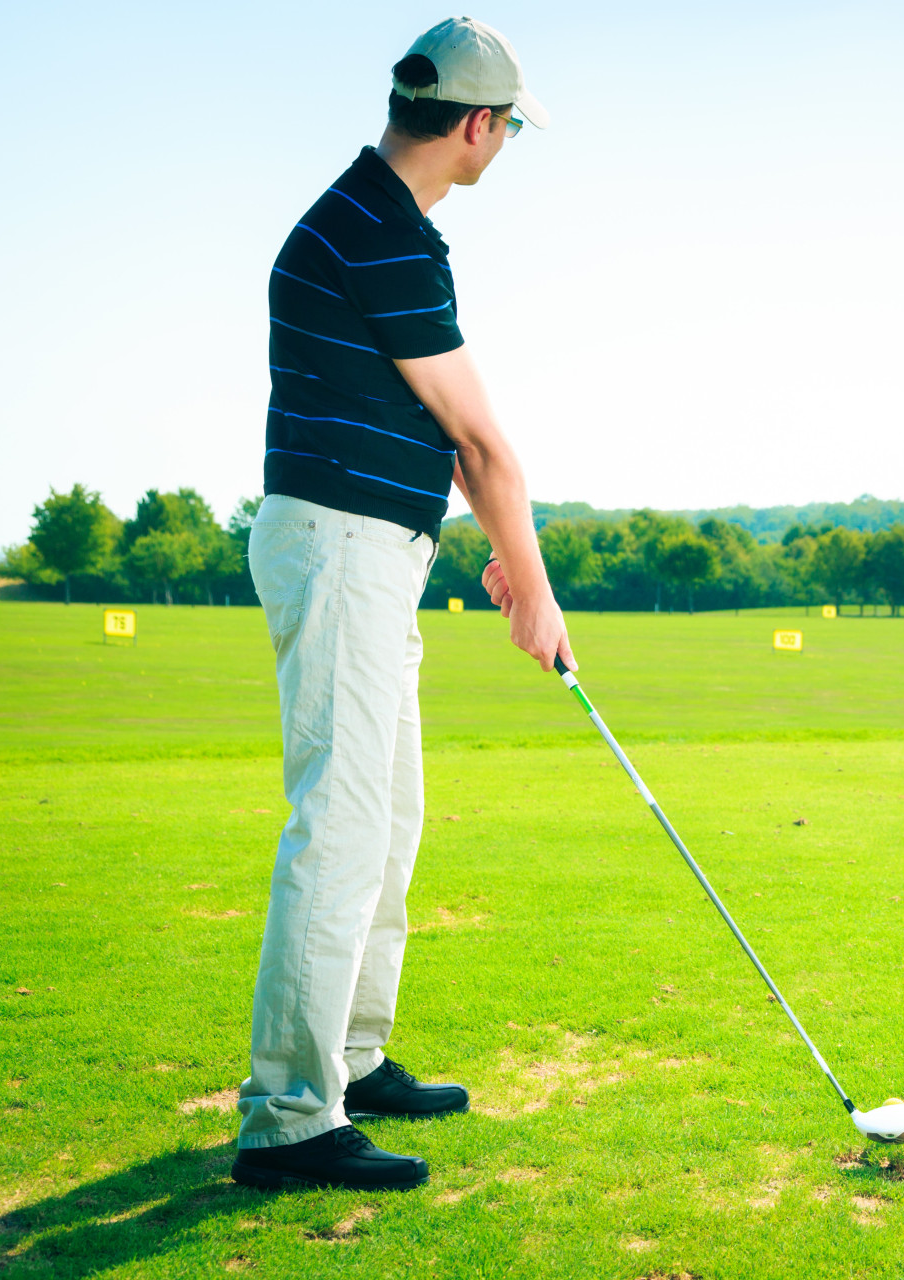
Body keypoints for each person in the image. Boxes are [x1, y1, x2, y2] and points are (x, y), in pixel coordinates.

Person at [233, 17, 573, 1192]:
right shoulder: (381, 232)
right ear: (476, 123)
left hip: (378, 547)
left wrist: (476, 538)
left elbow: (435, 433)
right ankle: (289, 1116)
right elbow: (484, 442)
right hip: (342, 550)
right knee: (340, 826)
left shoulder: (379, 219)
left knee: (390, 817)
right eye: (511, 126)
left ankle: (352, 1056)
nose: (507, 145)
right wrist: (533, 589)